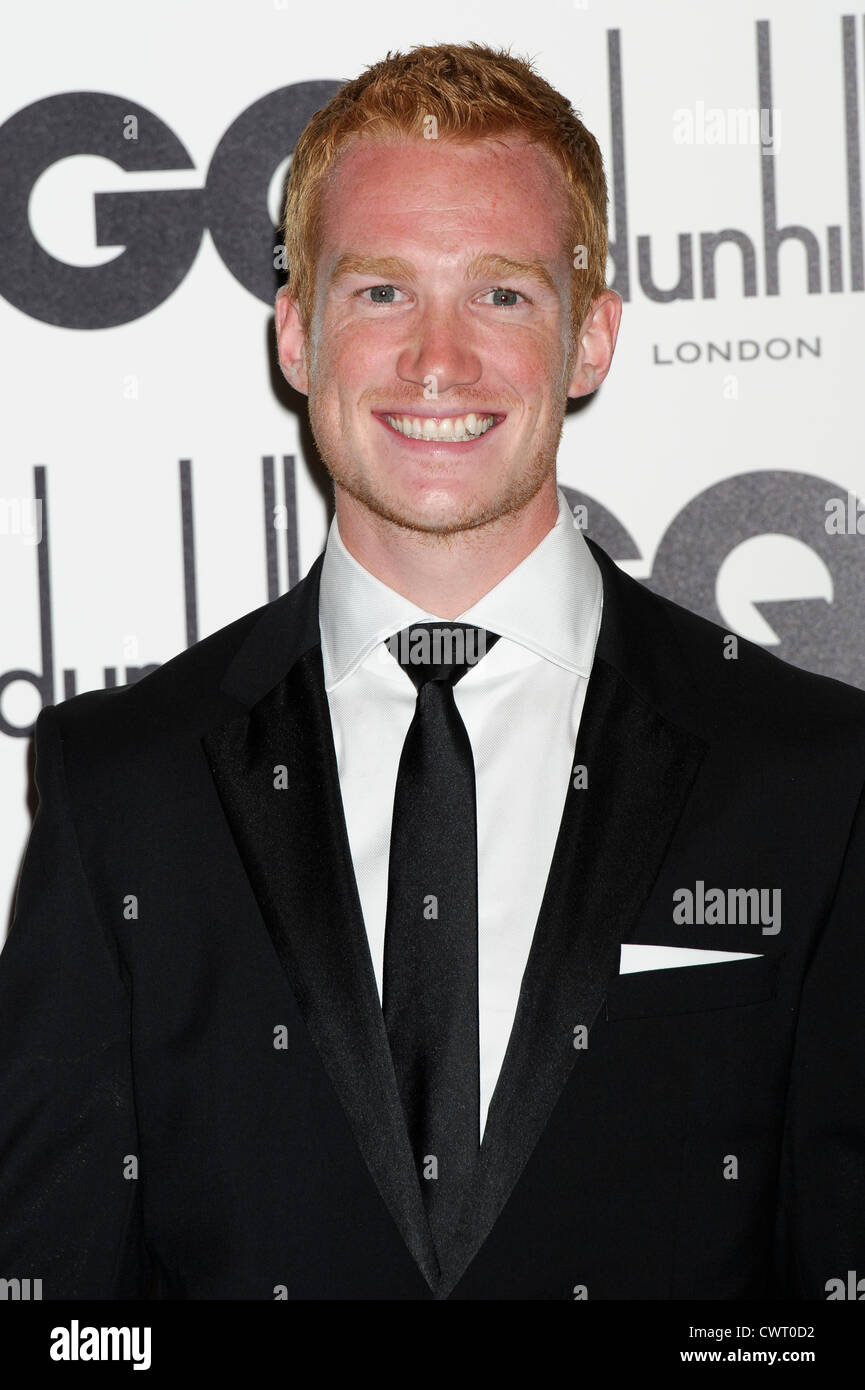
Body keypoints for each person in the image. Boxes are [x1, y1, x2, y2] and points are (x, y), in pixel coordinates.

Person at [1, 40, 863, 1302]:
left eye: (501, 294)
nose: (438, 362)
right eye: (381, 292)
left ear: (590, 340)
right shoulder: (120, 783)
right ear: (296, 335)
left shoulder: (814, 776)